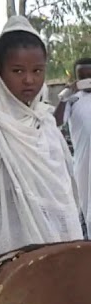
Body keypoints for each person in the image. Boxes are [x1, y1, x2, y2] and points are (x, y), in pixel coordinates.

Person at [0, 17, 83, 257]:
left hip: (61, 242)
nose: (29, 79)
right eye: (18, 71)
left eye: (37, 71)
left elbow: (64, 191)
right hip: (13, 251)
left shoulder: (46, 121)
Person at [62, 58, 91, 220]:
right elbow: (57, 122)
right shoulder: (73, 99)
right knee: (88, 206)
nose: (86, 80)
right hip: (84, 163)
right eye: (82, 77)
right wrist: (66, 94)